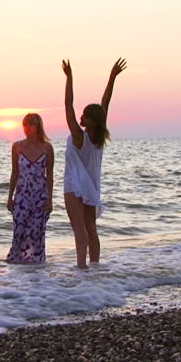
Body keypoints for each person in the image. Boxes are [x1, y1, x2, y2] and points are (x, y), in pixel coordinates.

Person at [62, 58, 127, 268]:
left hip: (74, 186)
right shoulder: (98, 139)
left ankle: (81, 267)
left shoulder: (80, 138)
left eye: (85, 116)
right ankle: (95, 266)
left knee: (79, 229)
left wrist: (69, 78)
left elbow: (68, 105)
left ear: (92, 121)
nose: (80, 117)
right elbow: (105, 103)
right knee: (91, 228)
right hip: (91, 188)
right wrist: (112, 77)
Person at [6, 113, 55, 263]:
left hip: (40, 195)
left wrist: (50, 199)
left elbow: (50, 176)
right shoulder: (17, 146)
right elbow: (14, 173)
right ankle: (15, 262)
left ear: (38, 126)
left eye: (31, 124)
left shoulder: (47, 148)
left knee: (37, 232)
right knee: (19, 229)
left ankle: (36, 266)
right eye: (25, 124)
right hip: (22, 195)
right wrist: (10, 197)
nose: (27, 128)